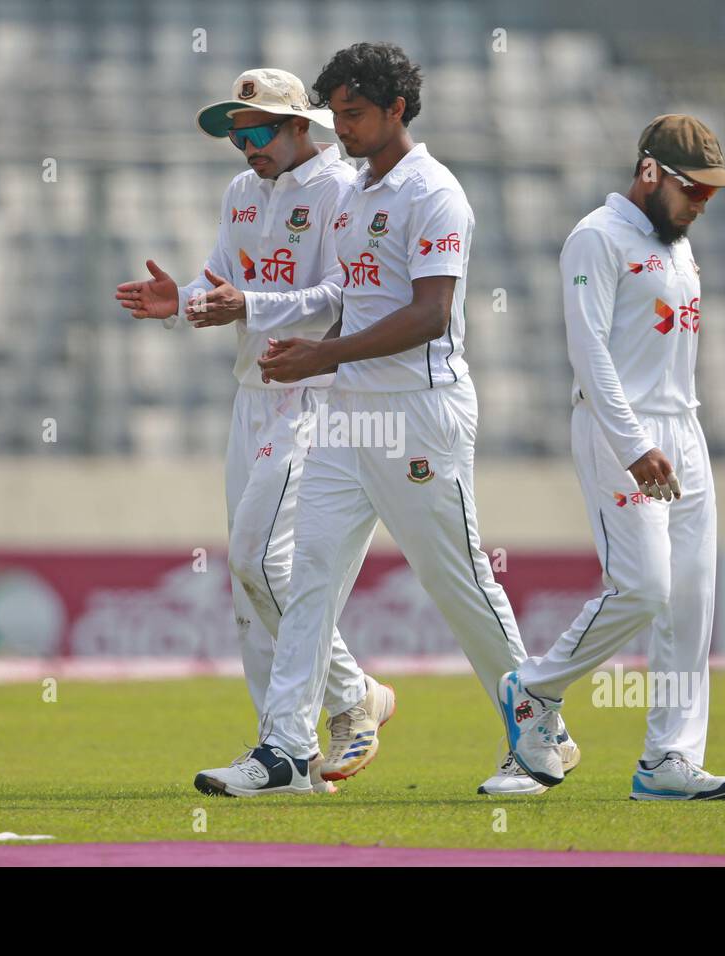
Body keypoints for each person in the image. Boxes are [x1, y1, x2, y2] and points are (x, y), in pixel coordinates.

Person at [194, 43, 578, 798]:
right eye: (334, 114)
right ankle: (285, 754)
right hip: (345, 414)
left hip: (416, 413)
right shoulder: (357, 192)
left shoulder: (433, 192)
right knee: (307, 582)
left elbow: (431, 315)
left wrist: (323, 356)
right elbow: (340, 294)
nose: (343, 129)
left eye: (356, 114)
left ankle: (542, 739)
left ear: (398, 108)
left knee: (458, 581)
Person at [116, 69, 393, 796]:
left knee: (256, 559)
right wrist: (181, 301)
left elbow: (346, 297)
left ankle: (345, 699)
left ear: (304, 124)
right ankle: (293, 762)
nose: (246, 146)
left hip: (318, 392)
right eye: (237, 134)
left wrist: (251, 302)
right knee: (250, 591)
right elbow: (220, 287)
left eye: (260, 129)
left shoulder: (343, 191)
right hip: (253, 397)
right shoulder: (241, 194)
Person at [500, 115, 725, 801]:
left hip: (684, 434)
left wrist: (671, 439)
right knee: (643, 588)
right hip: (620, 432)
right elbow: (590, 352)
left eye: (711, 194)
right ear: (649, 173)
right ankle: (533, 687)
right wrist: (634, 443)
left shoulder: (679, 246)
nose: (702, 203)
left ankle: (668, 760)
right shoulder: (596, 238)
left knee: (691, 604)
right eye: (693, 190)